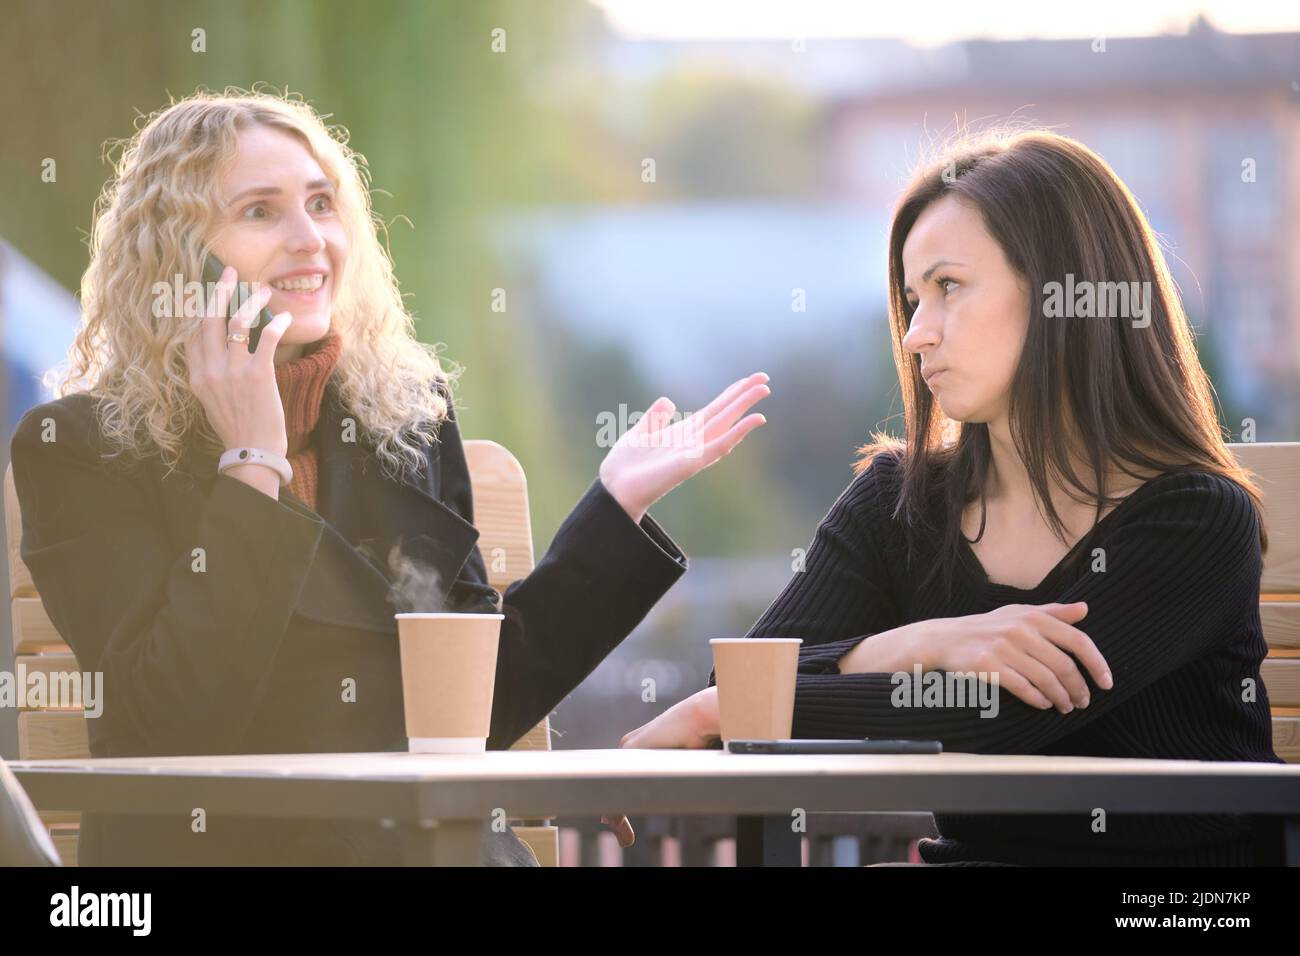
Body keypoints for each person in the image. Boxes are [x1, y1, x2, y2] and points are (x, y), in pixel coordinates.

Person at [9, 88, 769, 866]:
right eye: (261, 212)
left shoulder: (403, 418)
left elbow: (477, 705)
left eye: (321, 204)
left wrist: (615, 509)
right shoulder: (81, 448)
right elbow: (166, 721)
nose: (311, 240)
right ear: (177, 255)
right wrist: (253, 463)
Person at [612, 129, 1281, 866]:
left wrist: (726, 709)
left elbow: (998, 719)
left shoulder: (1196, 518)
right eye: (910, 299)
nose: (916, 335)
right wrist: (923, 643)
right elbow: (744, 679)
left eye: (948, 288)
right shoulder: (900, 502)